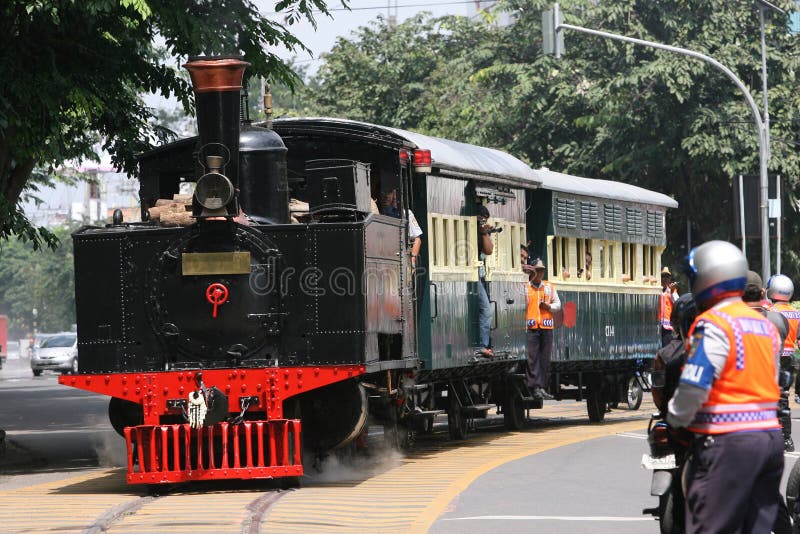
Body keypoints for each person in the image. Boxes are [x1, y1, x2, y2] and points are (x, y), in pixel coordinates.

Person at [666, 241, 784, 532]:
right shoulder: (766, 327)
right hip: (770, 439)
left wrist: (675, 418)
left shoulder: (714, 324)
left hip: (728, 442)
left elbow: (695, 385)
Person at [744, 271, 793, 452]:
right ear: (763, 293)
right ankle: (786, 438)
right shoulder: (779, 319)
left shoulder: (725, 321)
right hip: (771, 389)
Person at [523, 259, 561, 399]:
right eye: (537, 270)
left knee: (544, 358)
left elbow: (558, 304)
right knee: (532, 358)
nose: (540, 273)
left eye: (542, 270)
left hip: (546, 327)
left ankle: (542, 387)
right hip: (532, 327)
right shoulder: (526, 287)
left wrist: (549, 307)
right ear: (532, 271)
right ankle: (535, 387)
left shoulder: (549, 287)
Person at [476, 205, 495, 358]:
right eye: (481, 219)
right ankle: (482, 344)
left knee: (485, 310)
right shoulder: (472, 229)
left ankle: (483, 344)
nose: (482, 222)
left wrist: (485, 233)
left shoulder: (480, 232)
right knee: (486, 311)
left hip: (479, 274)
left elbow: (489, 250)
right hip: (472, 274)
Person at [659, 267, 679, 347]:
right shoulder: (656, 289)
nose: (665, 279)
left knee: (666, 347)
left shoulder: (672, 291)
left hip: (667, 327)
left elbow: (677, 302)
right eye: (663, 276)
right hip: (657, 326)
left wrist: (672, 291)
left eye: (667, 277)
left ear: (669, 279)